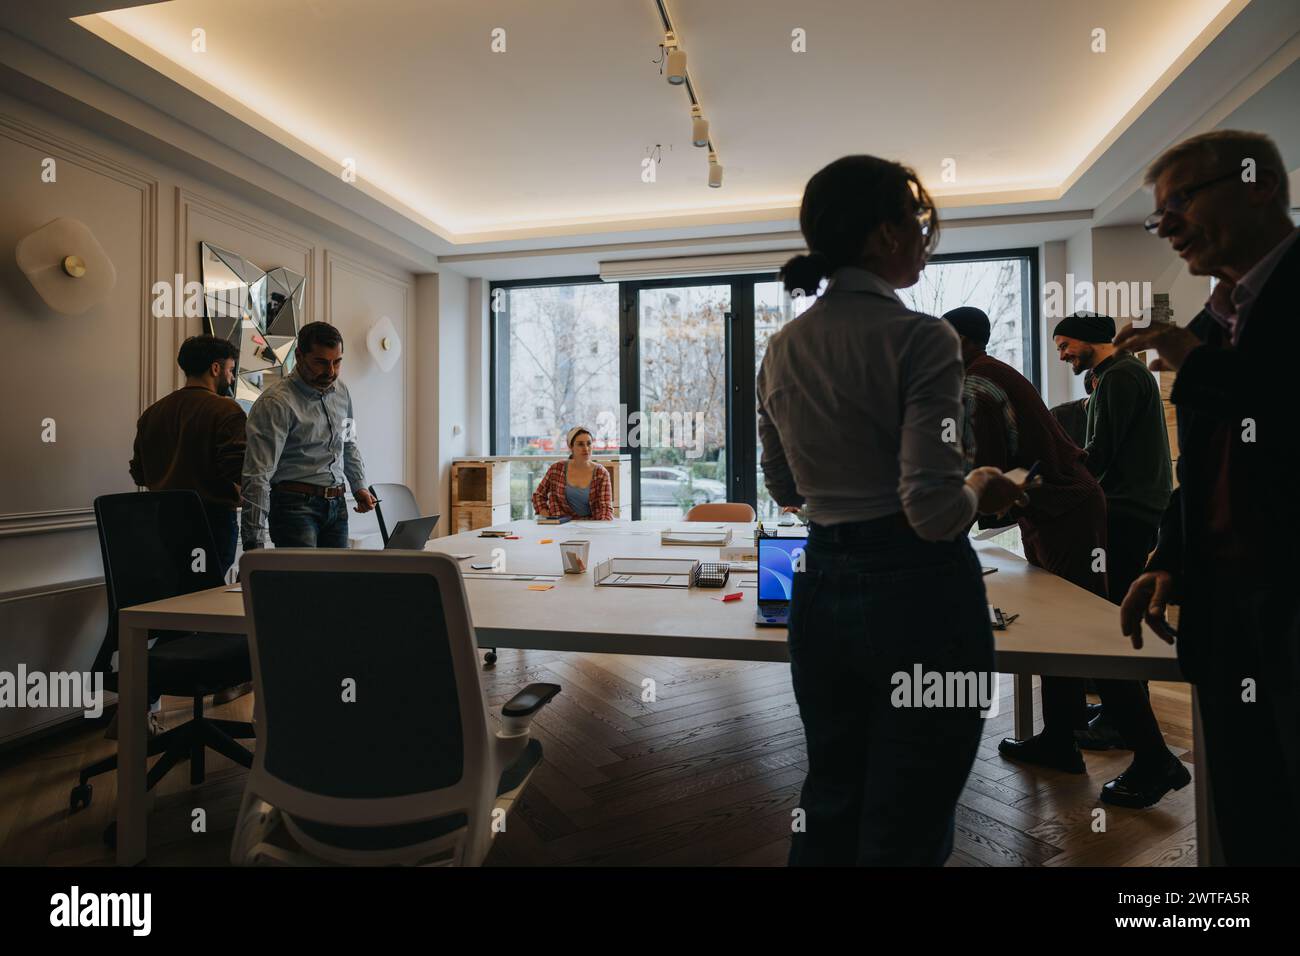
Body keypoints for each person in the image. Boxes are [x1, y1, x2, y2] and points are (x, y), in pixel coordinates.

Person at [757, 155, 1026, 866]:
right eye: (916, 222)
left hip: (820, 587)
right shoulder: (924, 338)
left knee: (831, 795)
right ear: (882, 235)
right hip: (923, 596)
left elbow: (781, 479)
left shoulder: (781, 348)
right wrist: (984, 483)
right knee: (911, 813)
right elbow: (934, 512)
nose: (924, 236)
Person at [1117, 130, 1299, 864]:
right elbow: (1202, 466)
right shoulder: (1203, 325)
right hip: (1226, 616)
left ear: (1257, 183)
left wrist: (1195, 366)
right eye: (1159, 217)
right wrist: (1172, 558)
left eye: (1179, 204)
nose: (1166, 228)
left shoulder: (1198, 342)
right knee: (1251, 815)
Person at [945, 310, 1186, 803]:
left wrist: (947, 532)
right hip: (1053, 508)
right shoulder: (987, 376)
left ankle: (1156, 760)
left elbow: (983, 476)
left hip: (1066, 510)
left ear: (960, 341)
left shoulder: (975, 387)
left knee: (1086, 633)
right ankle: (1060, 738)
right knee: (1060, 629)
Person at [241, 321, 375, 551]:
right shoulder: (277, 402)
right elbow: (258, 473)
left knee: (336, 585)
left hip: (337, 505)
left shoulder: (342, 392)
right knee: (303, 585)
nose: (331, 371)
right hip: (294, 508)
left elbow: (349, 443)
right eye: (321, 363)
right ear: (299, 356)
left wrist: (359, 486)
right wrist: (254, 539)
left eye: (337, 362)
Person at [129, 334, 245, 576]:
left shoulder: (152, 413)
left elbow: (139, 474)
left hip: (162, 521)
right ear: (216, 368)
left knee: (177, 594)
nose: (232, 377)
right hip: (211, 521)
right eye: (231, 370)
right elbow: (239, 469)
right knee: (207, 594)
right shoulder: (226, 409)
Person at [531, 426, 613, 520]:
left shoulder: (601, 473)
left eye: (589, 443)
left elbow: (605, 508)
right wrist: (547, 516)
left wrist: (601, 528)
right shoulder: (556, 469)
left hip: (591, 527)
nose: (586, 448)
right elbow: (538, 496)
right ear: (571, 446)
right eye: (580, 444)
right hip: (560, 527)